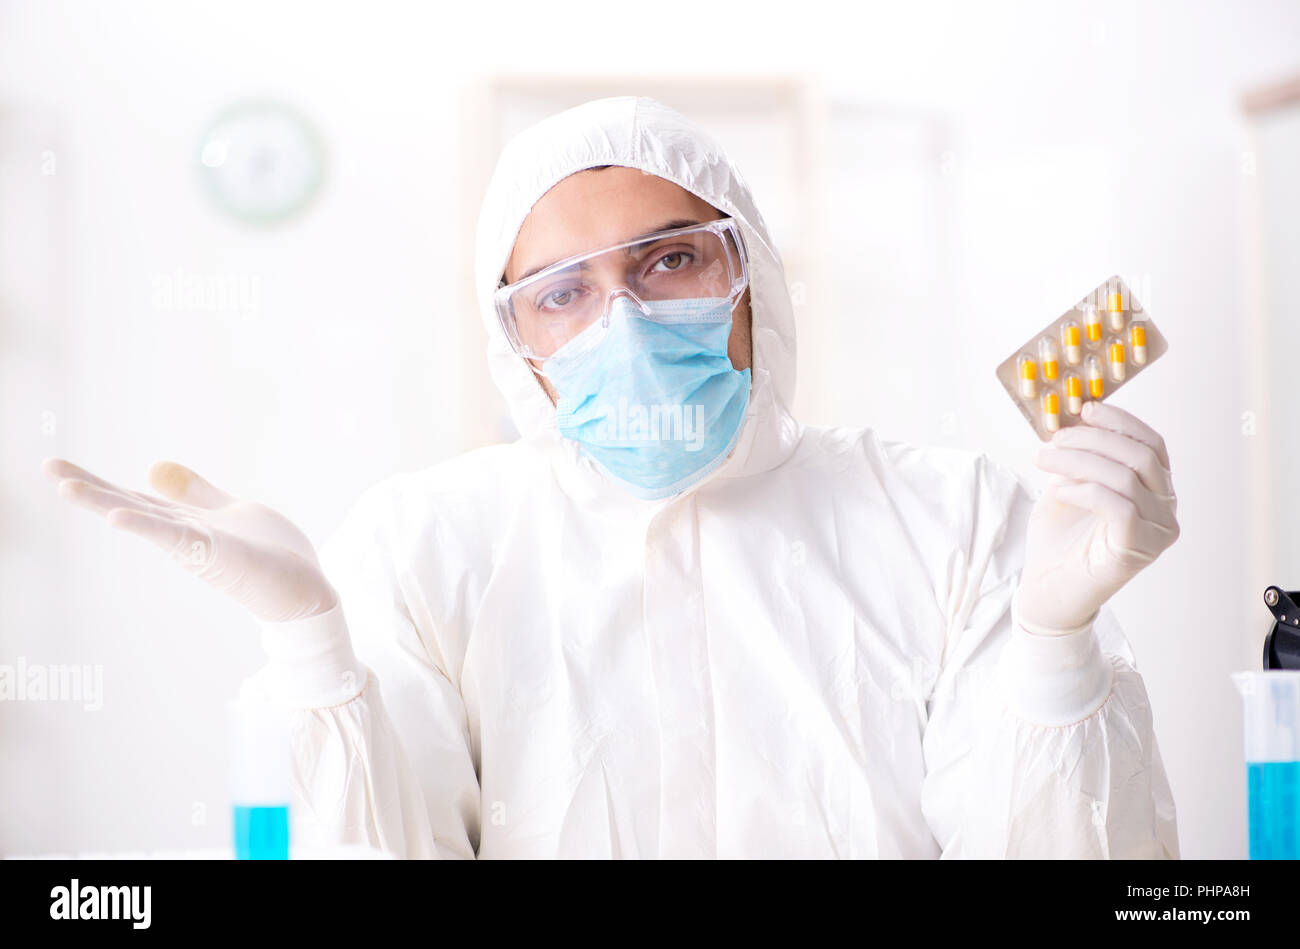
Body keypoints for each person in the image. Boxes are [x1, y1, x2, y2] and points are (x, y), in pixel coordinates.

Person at [45, 95, 1180, 858]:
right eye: (562, 293)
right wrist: (308, 641)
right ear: (515, 341)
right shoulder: (427, 541)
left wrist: (1052, 644)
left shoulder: (954, 514)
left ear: (751, 273)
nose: (624, 322)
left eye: (670, 259)